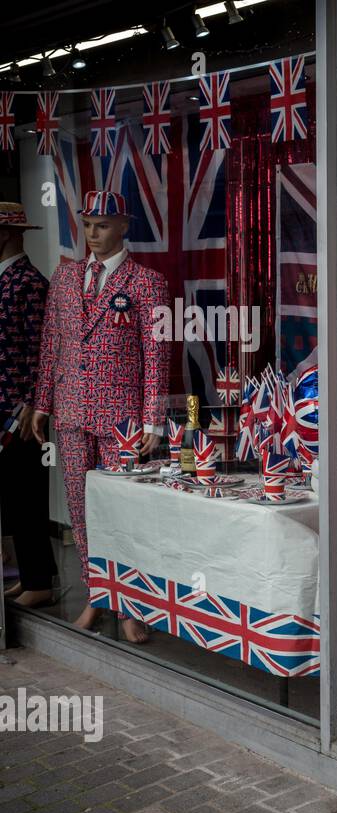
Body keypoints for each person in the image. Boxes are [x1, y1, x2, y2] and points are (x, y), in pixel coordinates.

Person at [31, 191, 170, 643]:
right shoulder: (65, 281)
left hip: (122, 418)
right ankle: (96, 596)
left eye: (103, 224)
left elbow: (157, 355)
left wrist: (151, 420)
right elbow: (51, 347)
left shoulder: (147, 283)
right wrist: (42, 402)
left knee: (122, 513)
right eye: (88, 224)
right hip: (71, 413)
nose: (93, 233)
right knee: (81, 510)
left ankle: (129, 605)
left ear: (124, 226)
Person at [0, 202, 56, 609]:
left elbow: (45, 352)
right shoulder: (6, 280)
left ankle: (39, 580)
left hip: (22, 410)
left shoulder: (29, 283)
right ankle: (30, 575)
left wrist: (33, 403)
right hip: (5, 403)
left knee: (28, 494)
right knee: (13, 495)